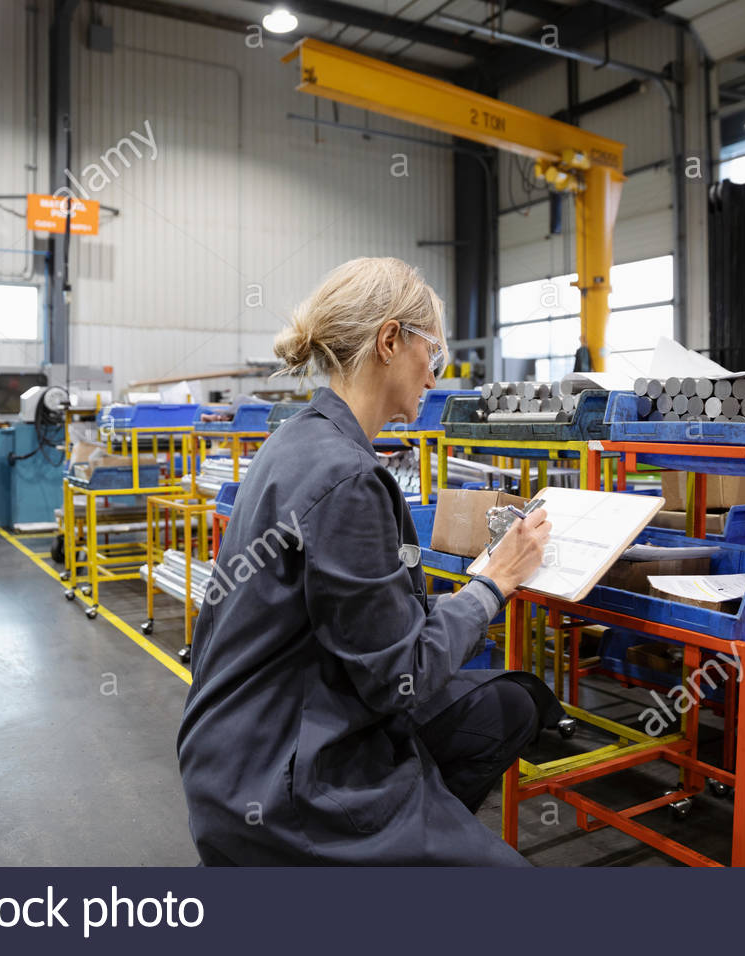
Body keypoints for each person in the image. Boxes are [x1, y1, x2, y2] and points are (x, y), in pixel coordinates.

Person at [177, 258, 562, 866]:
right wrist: (492, 584)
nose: (435, 376)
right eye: (431, 352)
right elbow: (399, 676)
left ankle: (413, 837)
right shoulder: (347, 476)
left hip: (241, 742)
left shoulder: (299, 440)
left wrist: (453, 598)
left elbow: (366, 614)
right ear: (389, 341)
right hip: (282, 779)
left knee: (512, 703)